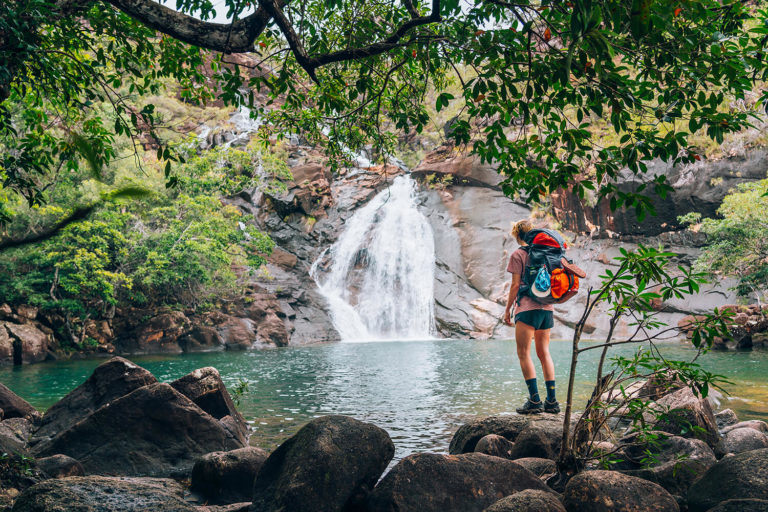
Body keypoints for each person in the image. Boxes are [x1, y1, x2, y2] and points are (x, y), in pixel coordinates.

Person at [503, 219, 559, 414]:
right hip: (547, 309)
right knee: (544, 354)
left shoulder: (518, 254)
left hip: (527, 309)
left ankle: (535, 401)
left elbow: (515, 286)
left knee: (523, 353)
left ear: (518, 236)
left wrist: (507, 309)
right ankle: (552, 402)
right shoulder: (547, 254)